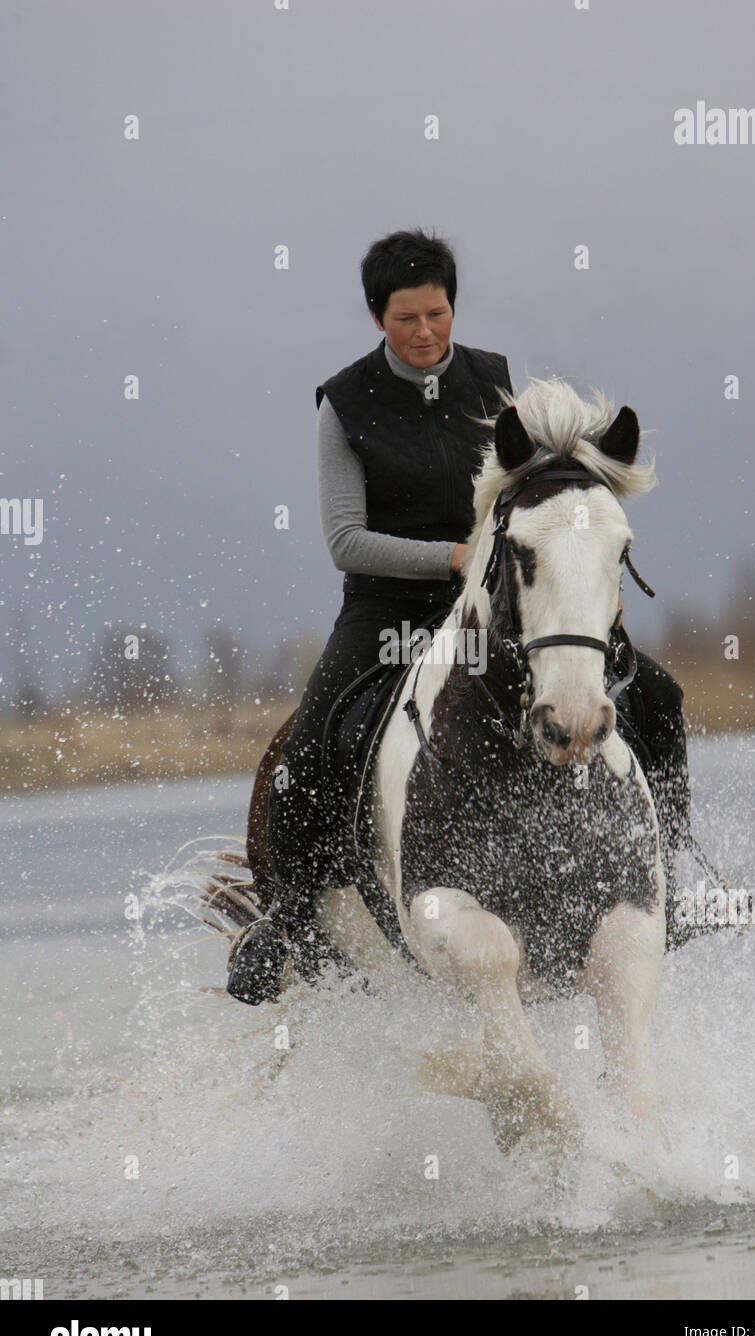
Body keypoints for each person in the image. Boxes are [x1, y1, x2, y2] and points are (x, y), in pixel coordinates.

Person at [227, 229, 691, 1005]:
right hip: (388, 610)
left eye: (437, 314)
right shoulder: (343, 406)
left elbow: (544, 501)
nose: (425, 332)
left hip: (507, 596)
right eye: (406, 319)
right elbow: (345, 539)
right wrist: (449, 558)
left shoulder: (493, 383)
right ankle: (286, 911)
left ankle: (674, 873)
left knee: (661, 697)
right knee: (308, 740)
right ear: (379, 318)